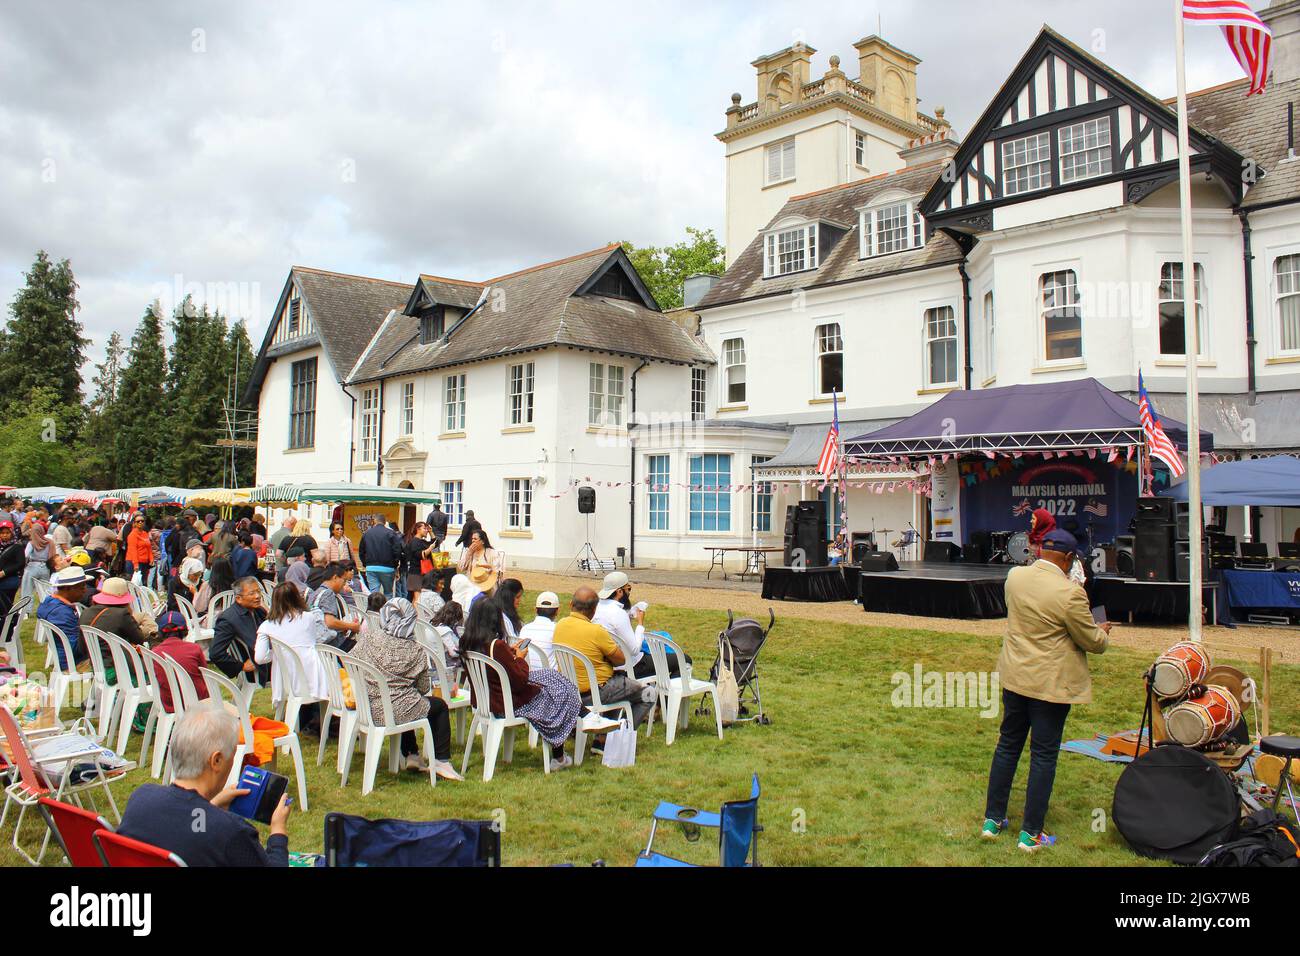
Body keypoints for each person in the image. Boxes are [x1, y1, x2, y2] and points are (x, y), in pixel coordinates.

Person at [982, 529, 1111, 853]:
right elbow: (1092, 642)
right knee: (1043, 755)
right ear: (1068, 559)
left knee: (1007, 746)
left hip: (1016, 677)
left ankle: (992, 819)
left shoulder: (1015, 577)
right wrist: (1103, 632)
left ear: (1040, 550)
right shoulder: (1069, 594)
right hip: (1049, 685)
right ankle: (1030, 834)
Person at [115, 705, 291, 866]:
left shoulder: (140, 798)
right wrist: (278, 831)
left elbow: (183, 828)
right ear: (216, 760)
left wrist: (212, 805)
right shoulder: (231, 831)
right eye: (234, 754)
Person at [460, 598, 591, 770]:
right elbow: (520, 679)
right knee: (555, 692)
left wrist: (509, 652)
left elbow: (497, 667)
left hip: (488, 701)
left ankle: (585, 716)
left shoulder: (467, 642)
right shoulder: (496, 645)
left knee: (550, 677)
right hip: (508, 703)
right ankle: (560, 754)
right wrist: (520, 658)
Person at [351, 597, 464, 780]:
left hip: (367, 705)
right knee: (438, 706)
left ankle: (412, 753)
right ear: (410, 620)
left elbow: (351, 661)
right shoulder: (415, 650)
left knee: (405, 699)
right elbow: (423, 687)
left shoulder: (368, 638)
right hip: (393, 710)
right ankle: (442, 761)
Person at [553, 586, 654, 727]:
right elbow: (621, 659)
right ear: (594, 610)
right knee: (648, 693)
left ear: (571, 604)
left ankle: (602, 739)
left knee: (619, 683)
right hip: (596, 691)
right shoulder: (596, 631)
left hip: (568, 689)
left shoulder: (560, 625)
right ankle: (618, 734)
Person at [254, 582, 330, 732]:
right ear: (297, 597)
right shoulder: (308, 618)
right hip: (313, 675)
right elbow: (313, 641)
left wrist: (277, 655)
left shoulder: (267, 625)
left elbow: (260, 658)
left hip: (284, 679)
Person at [593, 570, 689, 680]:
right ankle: (667, 697)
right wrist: (640, 623)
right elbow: (634, 650)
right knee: (684, 660)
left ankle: (655, 692)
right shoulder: (618, 613)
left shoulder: (596, 608)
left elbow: (614, 629)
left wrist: (628, 616)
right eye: (628, 589)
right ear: (619, 592)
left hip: (608, 664)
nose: (629, 593)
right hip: (630, 666)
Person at [211, 576, 270, 683]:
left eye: (258, 592)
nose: (257, 596)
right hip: (259, 669)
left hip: (270, 658)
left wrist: (267, 610)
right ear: (238, 598)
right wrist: (240, 666)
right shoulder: (228, 618)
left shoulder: (259, 611)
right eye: (252, 593)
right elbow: (216, 653)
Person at [151, 611, 212, 713]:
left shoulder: (154, 653)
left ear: (161, 632)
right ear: (185, 631)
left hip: (170, 704)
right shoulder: (194, 649)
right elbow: (206, 677)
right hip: (198, 702)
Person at [37, 566, 90, 669]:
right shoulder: (62, 613)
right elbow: (74, 649)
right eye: (82, 587)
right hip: (72, 662)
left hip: (61, 656)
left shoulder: (50, 602)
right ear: (68, 588)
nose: (85, 590)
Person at [80, 577, 148, 646]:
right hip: (117, 656)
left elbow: (81, 646)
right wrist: (129, 612)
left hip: (92, 656)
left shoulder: (85, 613)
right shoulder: (122, 614)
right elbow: (139, 639)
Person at [309, 562, 362, 650]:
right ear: (335, 577)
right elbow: (330, 622)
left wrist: (342, 628)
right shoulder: (328, 593)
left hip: (319, 646)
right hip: (333, 647)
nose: (344, 585)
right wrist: (351, 626)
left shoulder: (315, 593)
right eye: (344, 581)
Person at [359, 517, 403, 598]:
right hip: (388, 568)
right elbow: (397, 551)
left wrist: (366, 564)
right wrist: (395, 565)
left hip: (371, 567)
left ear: (374, 522)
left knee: (373, 593)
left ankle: (374, 610)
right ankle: (386, 610)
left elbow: (361, 551)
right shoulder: (391, 533)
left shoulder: (367, 533)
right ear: (384, 522)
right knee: (388, 593)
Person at [518, 591, 560, 665]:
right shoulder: (558, 629)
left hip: (526, 674)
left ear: (536, 610)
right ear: (557, 611)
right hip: (548, 675)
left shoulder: (525, 628)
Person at [403, 522, 433, 604]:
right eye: (424, 529)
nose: (426, 530)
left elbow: (435, 543)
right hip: (416, 573)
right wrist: (430, 549)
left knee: (415, 598)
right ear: (418, 529)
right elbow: (420, 555)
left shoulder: (421, 541)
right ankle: (418, 616)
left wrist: (431, 532)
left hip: (421, 572)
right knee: (417, 599)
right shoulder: (415, 542)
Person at [0, 520, 24, 620]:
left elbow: (20, 563)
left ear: (12, 533)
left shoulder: (17, 546)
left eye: (7, 533)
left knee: (6, 606)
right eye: (2, 533)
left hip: (10, 580)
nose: (4, 535)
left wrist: (4, 572)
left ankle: (10, 623)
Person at [430, 601, 463, 669]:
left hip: (432, 662)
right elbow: (454, 653)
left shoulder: (431, 626)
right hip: (444, 665)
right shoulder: (445, 631)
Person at [124, 514, 153, 584]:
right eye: (138, 521)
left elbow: (149, 547)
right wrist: (136, 564)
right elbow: (133, 550)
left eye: (142, 521)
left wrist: (151, 559)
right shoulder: (132, 535)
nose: (140, 522)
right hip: (133, 562)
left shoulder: (145, 533)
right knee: (135, 584)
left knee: (142, 583)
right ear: (134, 523)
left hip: (144, 562)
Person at [270, 515, 295, 582]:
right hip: (285, 568)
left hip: (275, 567)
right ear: (292, 524)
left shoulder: (274, 534)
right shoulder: (290, 536)